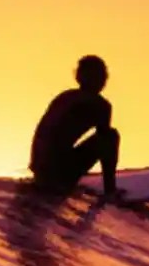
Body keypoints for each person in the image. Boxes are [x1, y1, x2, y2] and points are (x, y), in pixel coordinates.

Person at [29, 55, 121, 198]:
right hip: (56, 174)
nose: (105, 79)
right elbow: (105, 140)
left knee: (106, 137)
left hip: (41, 170)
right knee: (111, 136)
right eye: (102, 75)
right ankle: (110, 191)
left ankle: (52, 178)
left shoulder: (65, 97)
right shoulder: (100, 105)